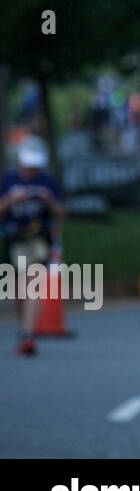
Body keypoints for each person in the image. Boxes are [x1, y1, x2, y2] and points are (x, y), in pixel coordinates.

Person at [0, 139, 65, 356]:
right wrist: (10, 200)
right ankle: (24, 329)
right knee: (20, 289)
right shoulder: (9, 180)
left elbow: (61, 213)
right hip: (14, 239)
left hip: (38, 240)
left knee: (32, 281)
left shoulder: (48, 182)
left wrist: (48, 201)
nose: (32, 171)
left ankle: (28, 334)